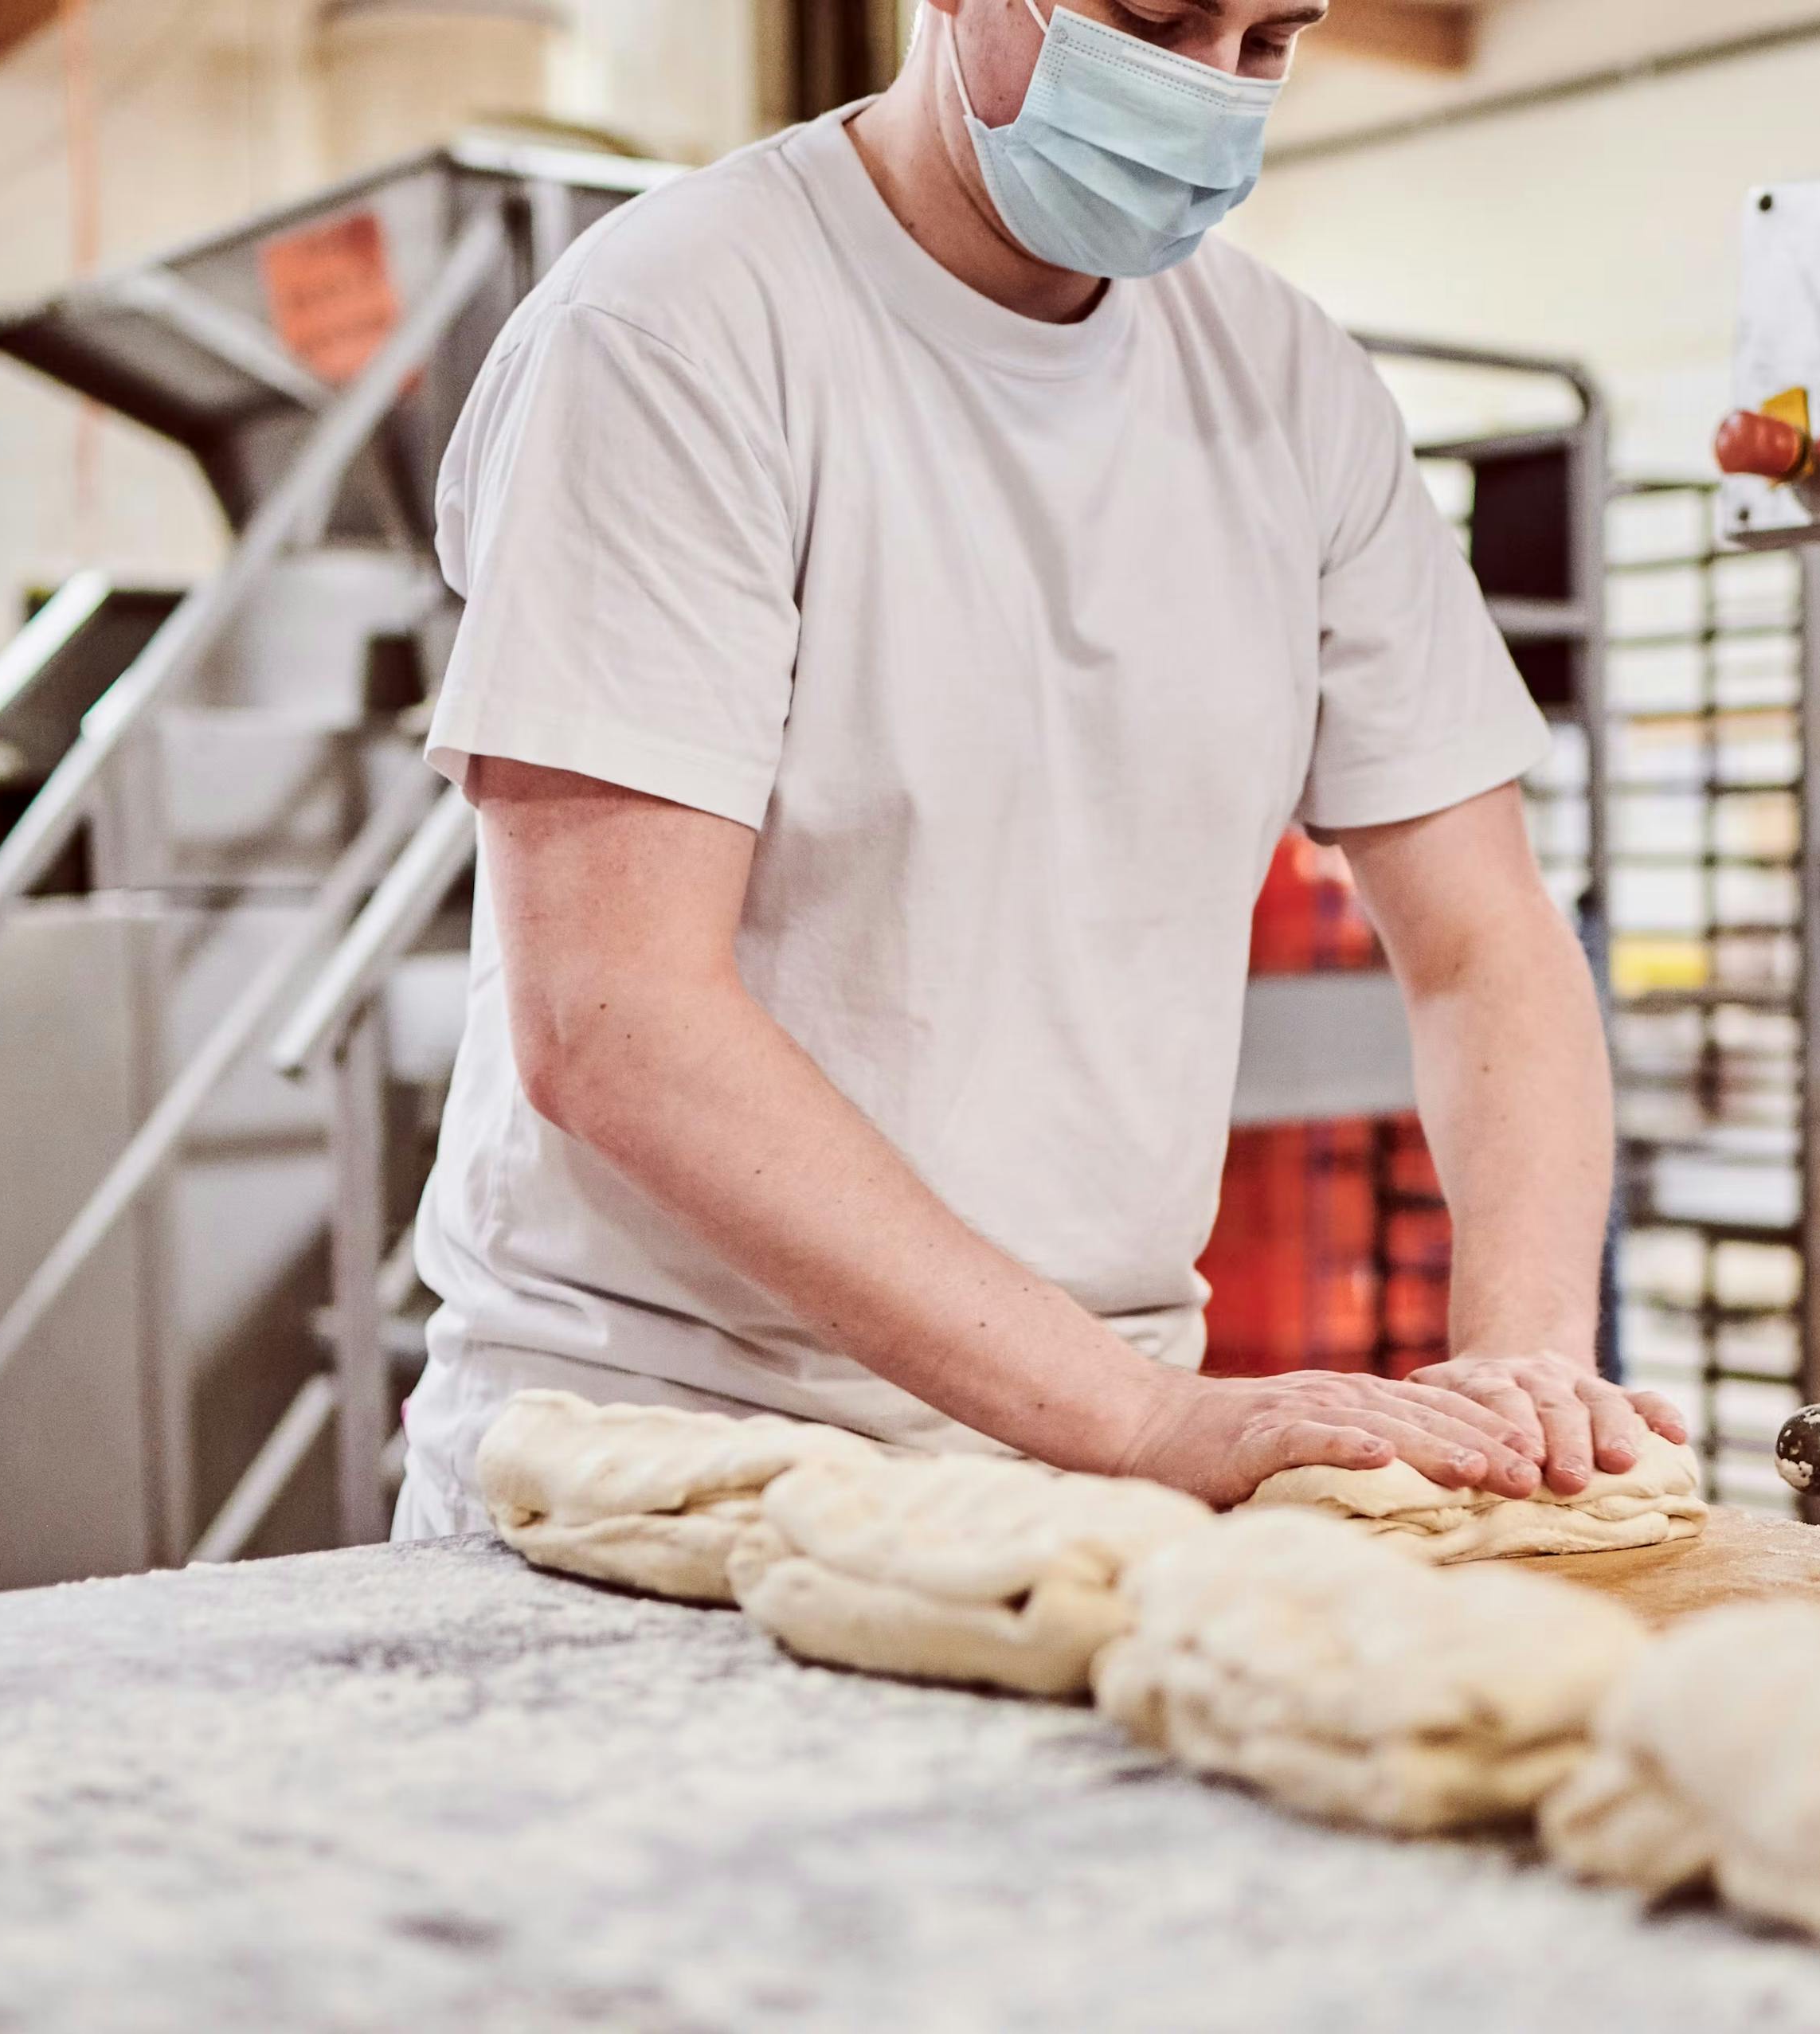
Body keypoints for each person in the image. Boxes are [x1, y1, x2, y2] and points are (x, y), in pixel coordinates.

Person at [393, 0, 1685, 1535]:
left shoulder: (1291, 388)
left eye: (1266, 42)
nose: (1203, 92)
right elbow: (614, 1018)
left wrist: (1524, 1360)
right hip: (667, 1457)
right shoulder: (680, 325)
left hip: (1089, 1479)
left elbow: (1487, 943)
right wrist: (1144, 1418)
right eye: (1155, 21)